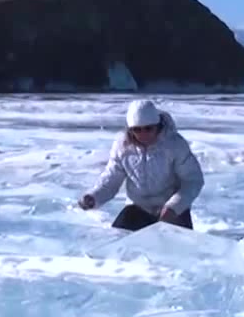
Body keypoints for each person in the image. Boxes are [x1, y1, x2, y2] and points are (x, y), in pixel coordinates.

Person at [78, 99, 205, 231]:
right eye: (137, 130)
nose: (143, 134)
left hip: (172, 210)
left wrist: (174, 207)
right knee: (116, 240)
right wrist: (94, 196)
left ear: (158, 125)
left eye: (148, 128)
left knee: (180, 248)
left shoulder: (175, 145)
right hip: (138, 208)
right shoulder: (122, 147)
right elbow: (111, 179)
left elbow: (192, 181)